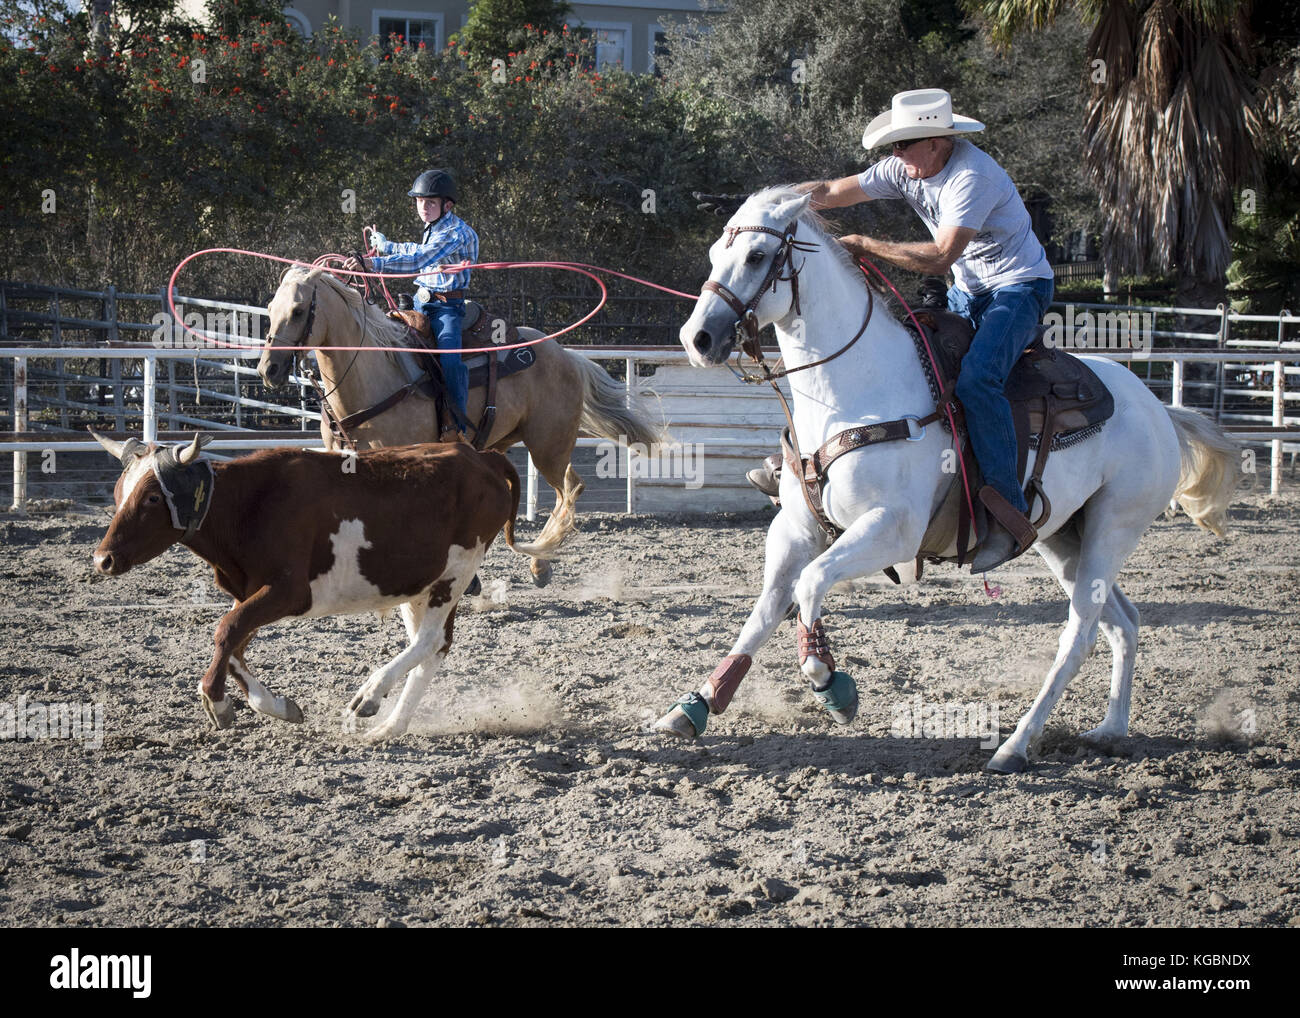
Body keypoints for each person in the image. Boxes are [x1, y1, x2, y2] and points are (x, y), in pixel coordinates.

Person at [747, 88, 1054, 572]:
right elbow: (828, 193)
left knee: (978, 380)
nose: (895, 154)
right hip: (968, 291)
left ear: (935, 142)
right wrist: (768, 210)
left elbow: (939, 257)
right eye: (893, 146)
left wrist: (866, 244)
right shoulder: (905, 167)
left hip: (1018, 288)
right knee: (897, 356)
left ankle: (1007, 515)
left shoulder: (971, 178)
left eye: (904, 144)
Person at [347, 169, 479, 439]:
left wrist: (374, 263)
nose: (423, 207)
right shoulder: (434, 228)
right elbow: (415, 250)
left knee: (451, 362)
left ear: (447, 205)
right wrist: (387, 245)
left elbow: (421, 259)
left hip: (447, 309)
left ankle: (457, 426)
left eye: (430, 202)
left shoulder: (457, 233)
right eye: (419, 201)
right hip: (422, 302)